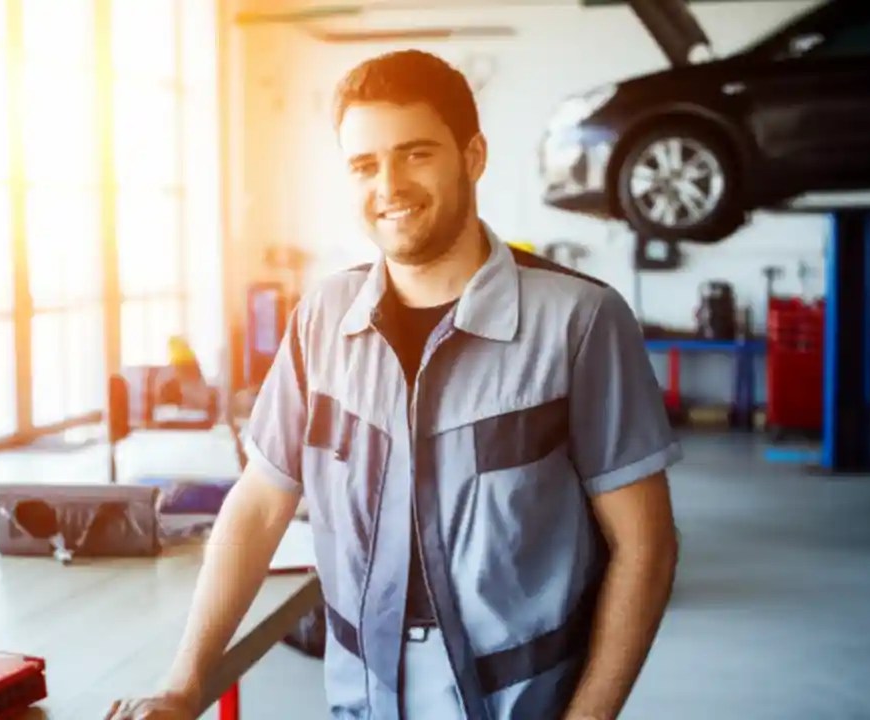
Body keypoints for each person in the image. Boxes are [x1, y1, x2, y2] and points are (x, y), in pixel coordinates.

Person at [105, 49, 681, 720]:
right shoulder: (322, 319)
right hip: (362, 699)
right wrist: (183, 683)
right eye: (364, 164)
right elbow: (260, 503)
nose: (390, 186)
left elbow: (646, 546)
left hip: (521, 703)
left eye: (415, 154)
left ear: (473, 156)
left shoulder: (578, 322)